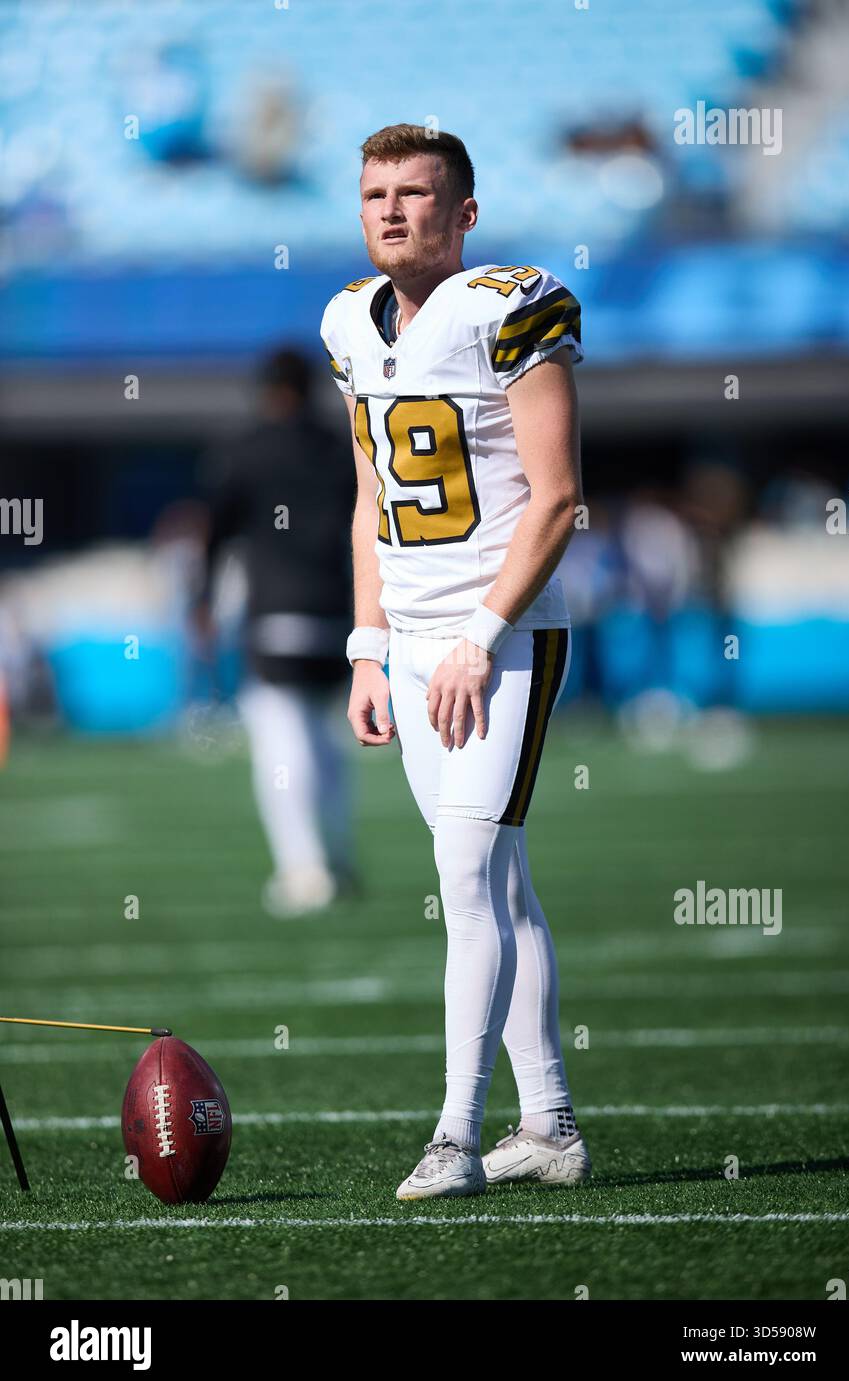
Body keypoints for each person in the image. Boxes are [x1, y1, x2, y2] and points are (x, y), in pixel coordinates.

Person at [320, 124, 591, 1198]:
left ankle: (454, 1135)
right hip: (416, 642)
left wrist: (479, 638)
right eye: (375, 192)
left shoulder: (511, 307)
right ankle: (553, 1127)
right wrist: (367, 648)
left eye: (417, 193)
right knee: (503, 884)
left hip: (504, 634)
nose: (392, 209)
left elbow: (558, 496)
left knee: (465, 875)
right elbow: (370, 503)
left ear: (463, 213)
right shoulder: (347, 319)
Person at [197, 348, 357, 916]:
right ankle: (338, 856)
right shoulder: (342, 449)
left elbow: (213, 534)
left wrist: (201, 602)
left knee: (280, 743)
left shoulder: (246, 451)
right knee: (326, 740)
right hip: (340, 615)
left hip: (275, 617)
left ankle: (303, 869)